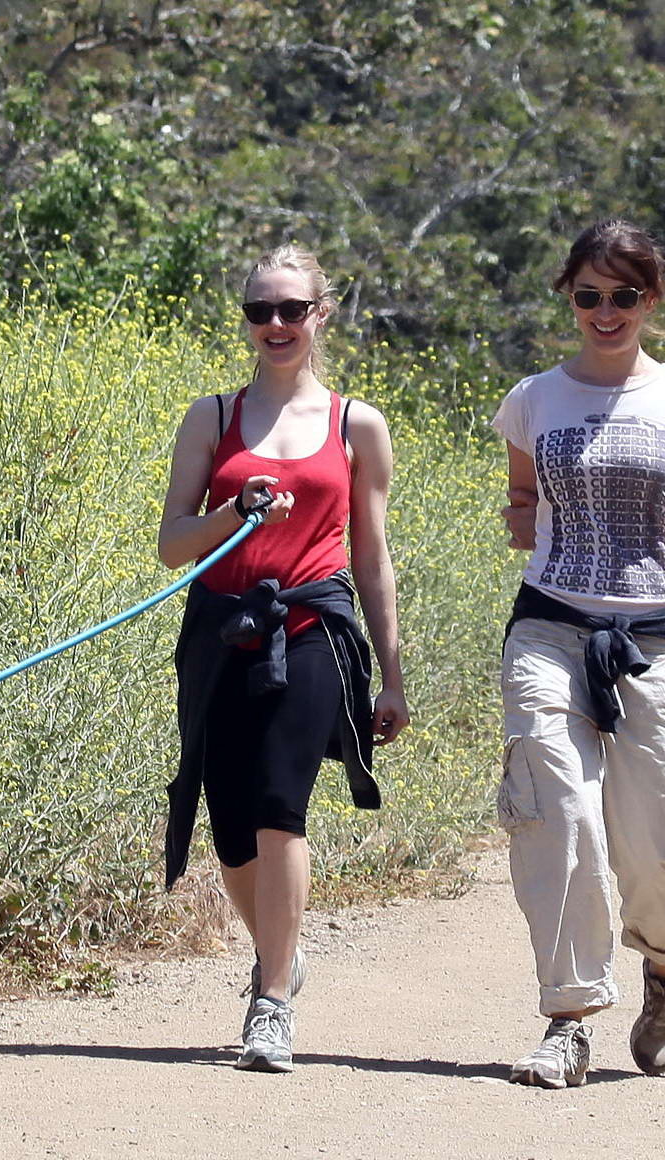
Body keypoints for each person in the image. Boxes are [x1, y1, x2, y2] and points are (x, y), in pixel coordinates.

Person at [158, 245, 409, 1073]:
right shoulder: (211, 417)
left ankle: (271, 1003)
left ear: (320, 316)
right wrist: (231, 509)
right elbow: (170, 545)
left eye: (290, 310)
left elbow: (371, 555)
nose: (274, 324)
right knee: (228, 826)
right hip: (221, 627)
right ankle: (280, 954)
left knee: (277, 803)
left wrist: (395, 674)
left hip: (312, 626)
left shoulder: (354, 424)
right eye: (259, 310)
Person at [492, 219, 665, 1088]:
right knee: (555, 805)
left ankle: (663, 969)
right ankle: (567, 1018)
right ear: (568, 298)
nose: (604, 311)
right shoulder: (532, 399)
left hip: (649, 636)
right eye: (587, 295)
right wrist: (524, 519)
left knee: (652, 839)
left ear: (649, 300)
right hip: (548, 623)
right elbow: (522, 498)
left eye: (622, 295)